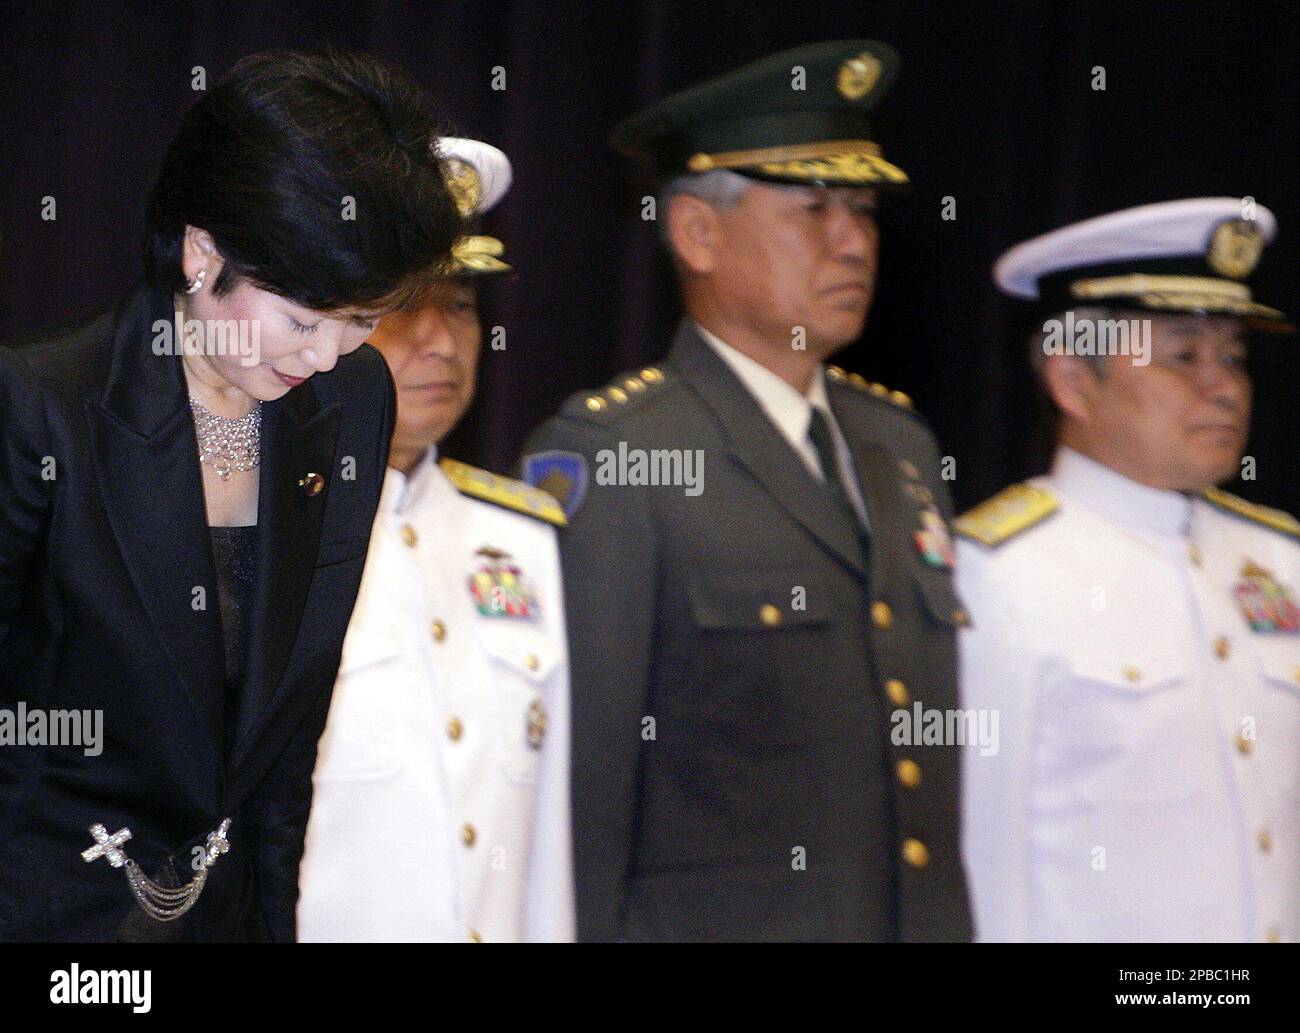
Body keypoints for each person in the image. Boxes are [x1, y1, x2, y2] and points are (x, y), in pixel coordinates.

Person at [0, 48, 462, 942]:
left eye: (362, 320)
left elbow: (284, 744)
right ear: (202, 251)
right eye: (301, 317)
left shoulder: (351, 398)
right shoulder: (38, 407)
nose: (325, 356)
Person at [522, 40, 972, 942]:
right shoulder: (616, 452)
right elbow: (587, 791)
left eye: (864, 209)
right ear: (697, 231)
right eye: (813, 208)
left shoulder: (899, 443)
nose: (852, 240)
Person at [956, 197, 1299, 942]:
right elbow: (983, 852)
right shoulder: (1003, 573)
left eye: (1233, 356)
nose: (1224, 386)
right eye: (1183, 355)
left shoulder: (1279, 561)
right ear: (1075, 381)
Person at [298, 138, 575, 943]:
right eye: (406, 305)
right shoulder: (259, 538)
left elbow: (548, 834)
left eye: (458, 304)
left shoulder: (523, 541)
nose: (442, 341)